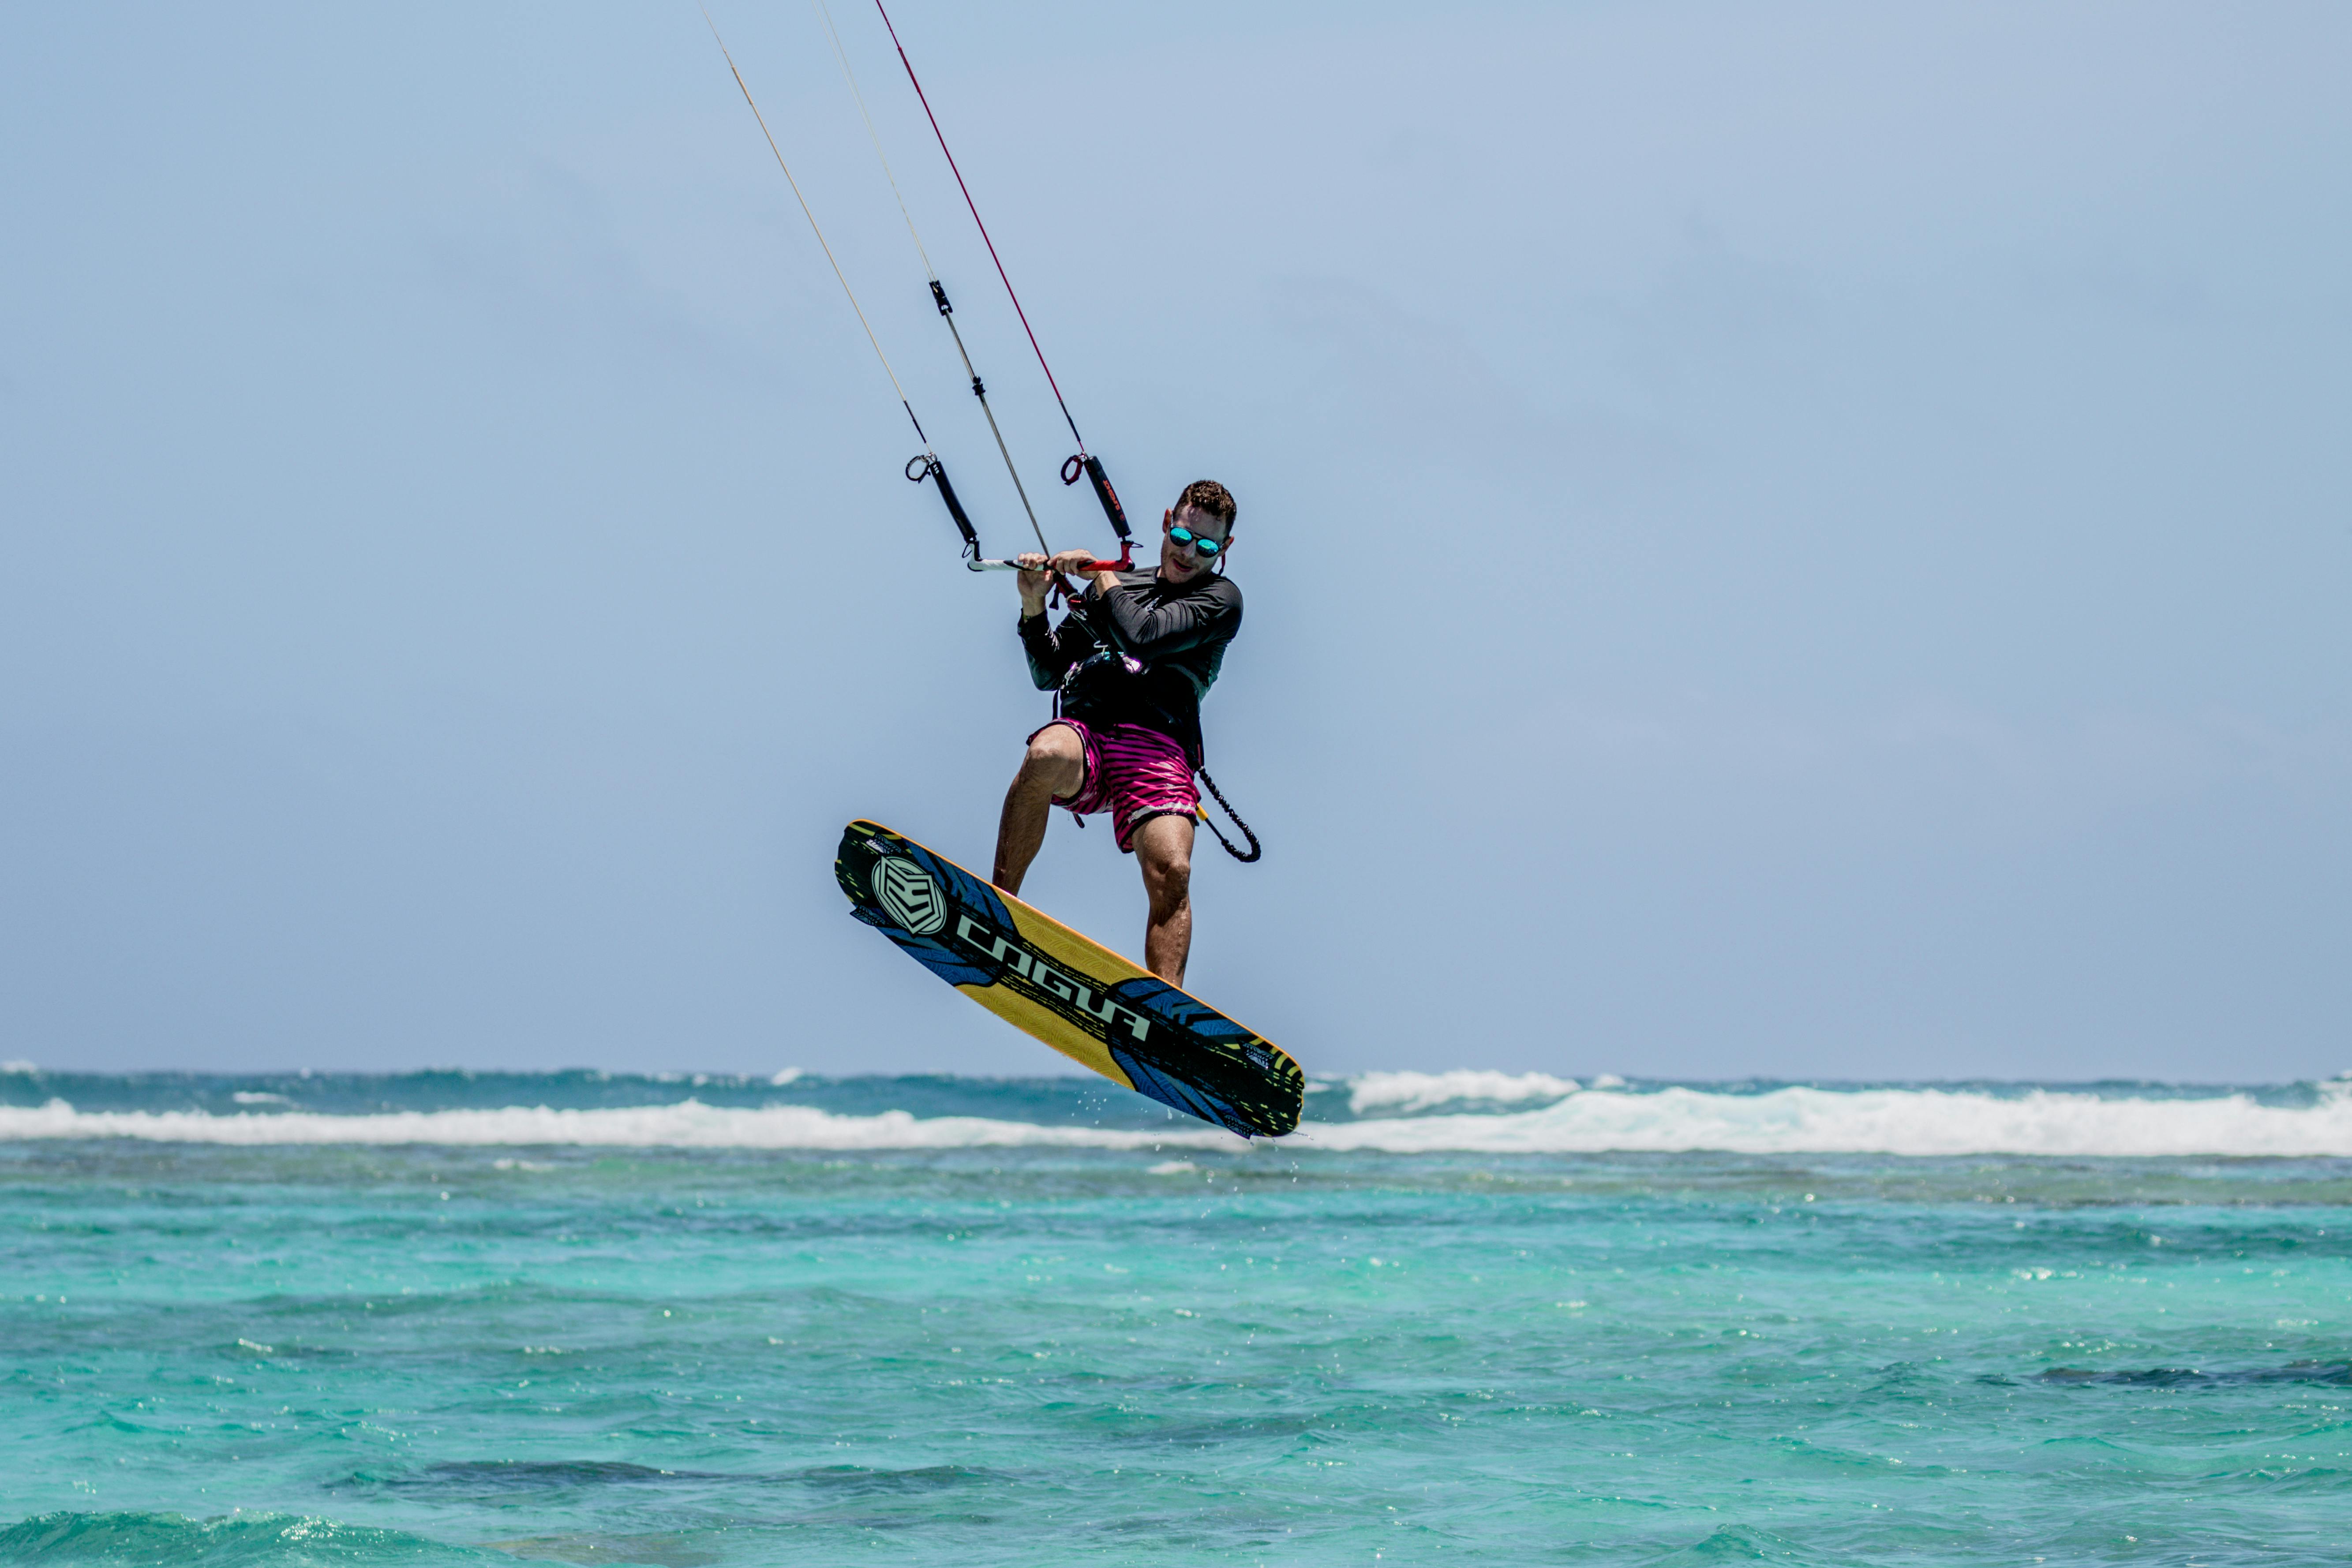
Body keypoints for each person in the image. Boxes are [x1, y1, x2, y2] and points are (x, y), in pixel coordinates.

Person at [992, 480, 1243, 987]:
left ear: (1225, 549)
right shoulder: (1119, 585)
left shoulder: (1221, 599)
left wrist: (1104, 579)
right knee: (1045, 754)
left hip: (1157, 751)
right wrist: (1034, 606)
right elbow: (1049, 671)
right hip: (1090, 738)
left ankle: (1165, 1009)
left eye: (1207, 546)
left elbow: (1142, 637)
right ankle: (997, 910)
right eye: (1182, 535)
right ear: (1167, 520)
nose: (1189, 552)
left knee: (1173, 869)